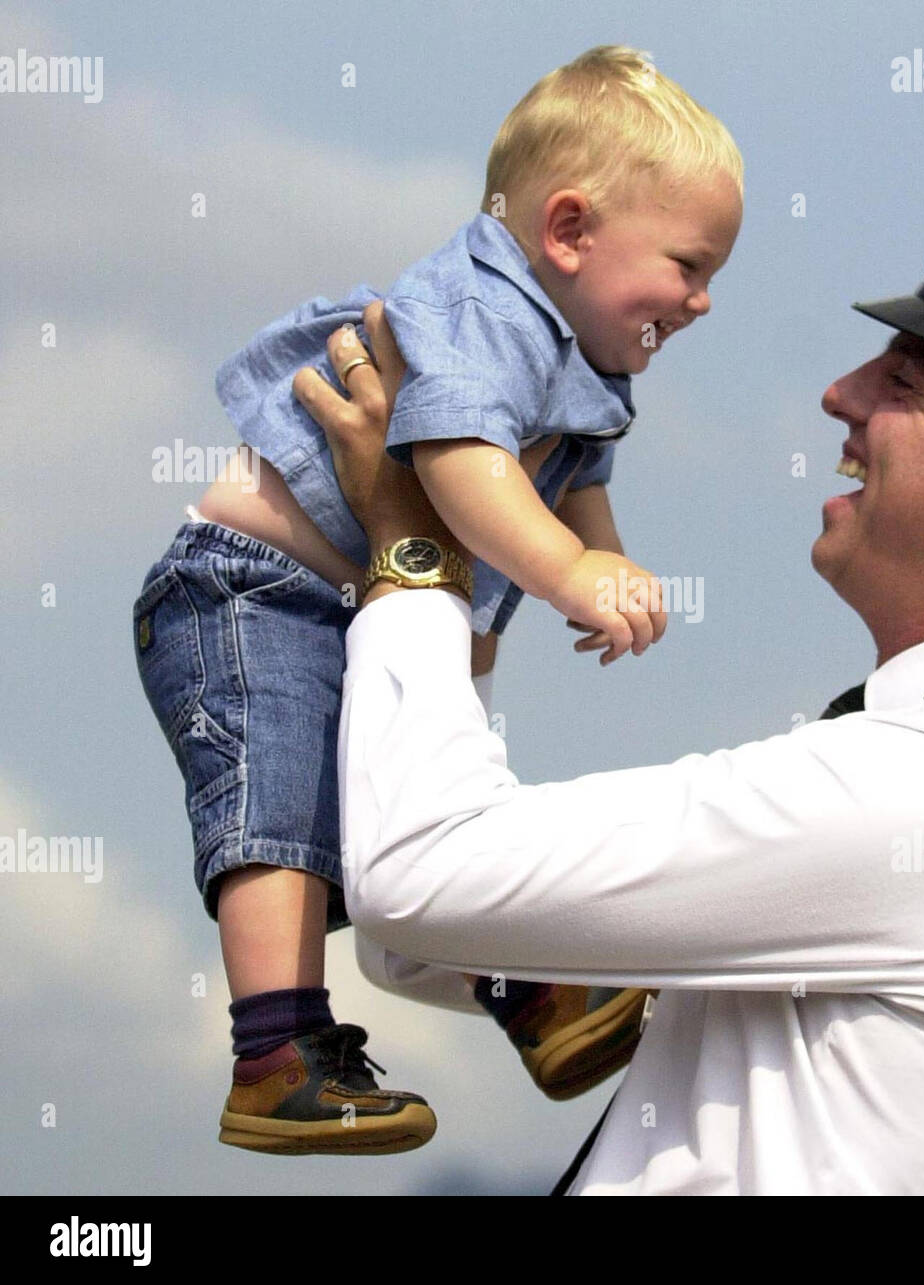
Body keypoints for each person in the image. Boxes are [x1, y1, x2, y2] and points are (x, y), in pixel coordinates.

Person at [293, 172, 924, 1194]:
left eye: (908, 377)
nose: (843, 394)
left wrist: (420, 541)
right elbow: (437, 933)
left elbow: (419, 881)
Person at [130, 45, 743, 1155]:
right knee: (282, 808)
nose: (702, 302)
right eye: (690, 266)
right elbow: (457, 458)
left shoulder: (588, 360)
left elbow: (580, 479)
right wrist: (568, 571)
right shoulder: (482, 313)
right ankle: (277, 1047)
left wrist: (606, 565)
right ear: (568, 232)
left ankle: (522, 982)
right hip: (255, 590)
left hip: (378, 606)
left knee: (413, 815)